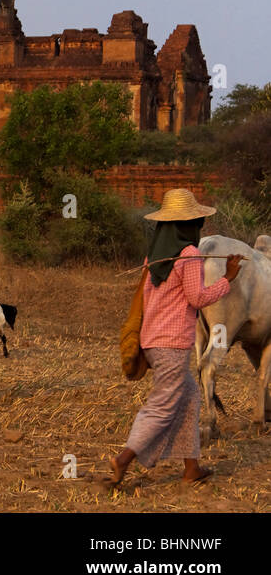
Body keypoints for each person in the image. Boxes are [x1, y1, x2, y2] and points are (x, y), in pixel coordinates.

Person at [108, 189, 243, 487]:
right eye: (196, 221)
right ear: (188, 225)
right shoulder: (190, 254)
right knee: (163, 405)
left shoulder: (155, 256)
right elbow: (197, 298)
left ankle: (191, 468)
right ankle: (123, 459)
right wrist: (227, 279)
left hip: (153, 341)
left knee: (189, 398)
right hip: (173, 344)